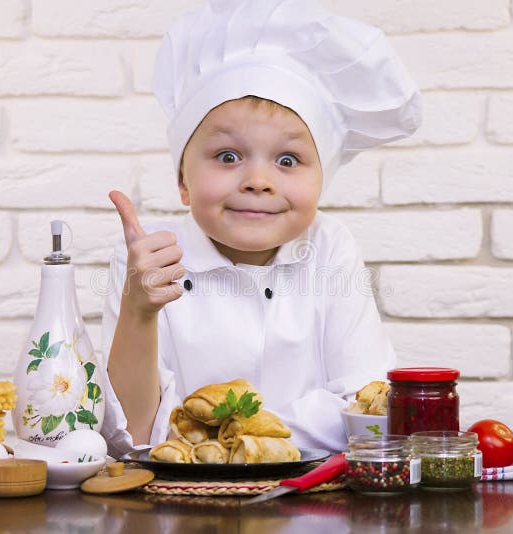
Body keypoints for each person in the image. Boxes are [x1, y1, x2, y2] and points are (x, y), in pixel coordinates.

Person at [99, 0, 420, 458]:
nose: (258, 180)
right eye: (228, 157)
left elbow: (367, 411)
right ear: (182, 182)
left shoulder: (330, 248)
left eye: (287, 160)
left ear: (321, 181)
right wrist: (139, 311)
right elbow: (132, 439)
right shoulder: (150, 257)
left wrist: (215, 439)